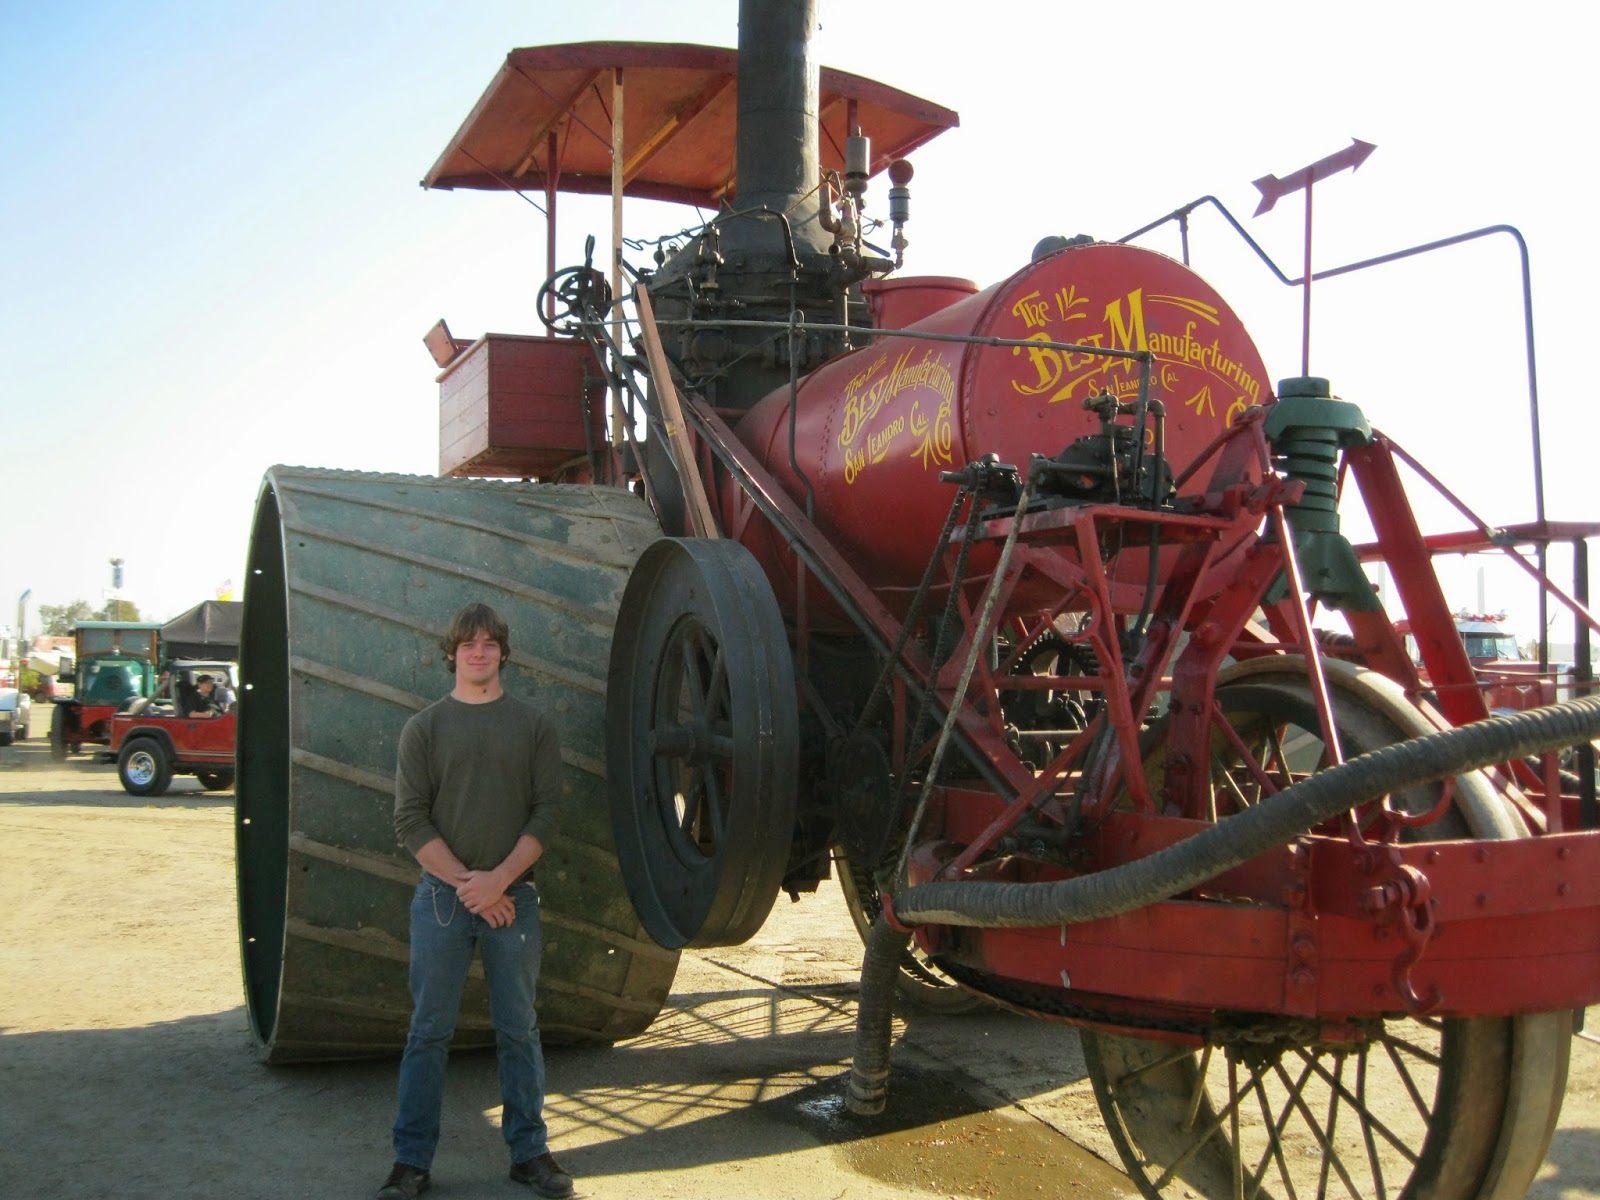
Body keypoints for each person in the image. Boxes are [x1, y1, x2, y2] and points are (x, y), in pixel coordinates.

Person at [377, 602, 573, 1200]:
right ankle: (411, 1163)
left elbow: (548, 811)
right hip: (442, 901)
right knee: (428, 1032)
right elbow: (409, 822)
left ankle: (529, 1154)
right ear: (453, 653)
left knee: (519, 1029)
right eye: (469, 644)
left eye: (489, 643)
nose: (479, 652)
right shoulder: (425, 729)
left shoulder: (533, 725)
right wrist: (473, 885)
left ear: (504, 653)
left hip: (515, 900)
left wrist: (500, 880)